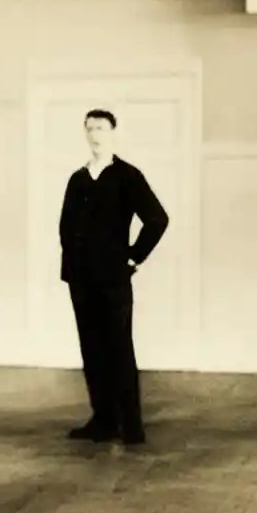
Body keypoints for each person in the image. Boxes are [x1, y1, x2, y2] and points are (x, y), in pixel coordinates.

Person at [58, 108, 169, 445]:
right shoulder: (78, 179)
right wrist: (75, 265)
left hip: (113, 279)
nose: (95, 134)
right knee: (91, 349)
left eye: (101, 128)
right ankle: (103, 420)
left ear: (113, 132)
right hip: (80, 279)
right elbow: (65, 227)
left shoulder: (127, 176)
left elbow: (157, 219)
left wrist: (132, 258)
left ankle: (131, 424)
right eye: (89, 128)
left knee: (119, 348)